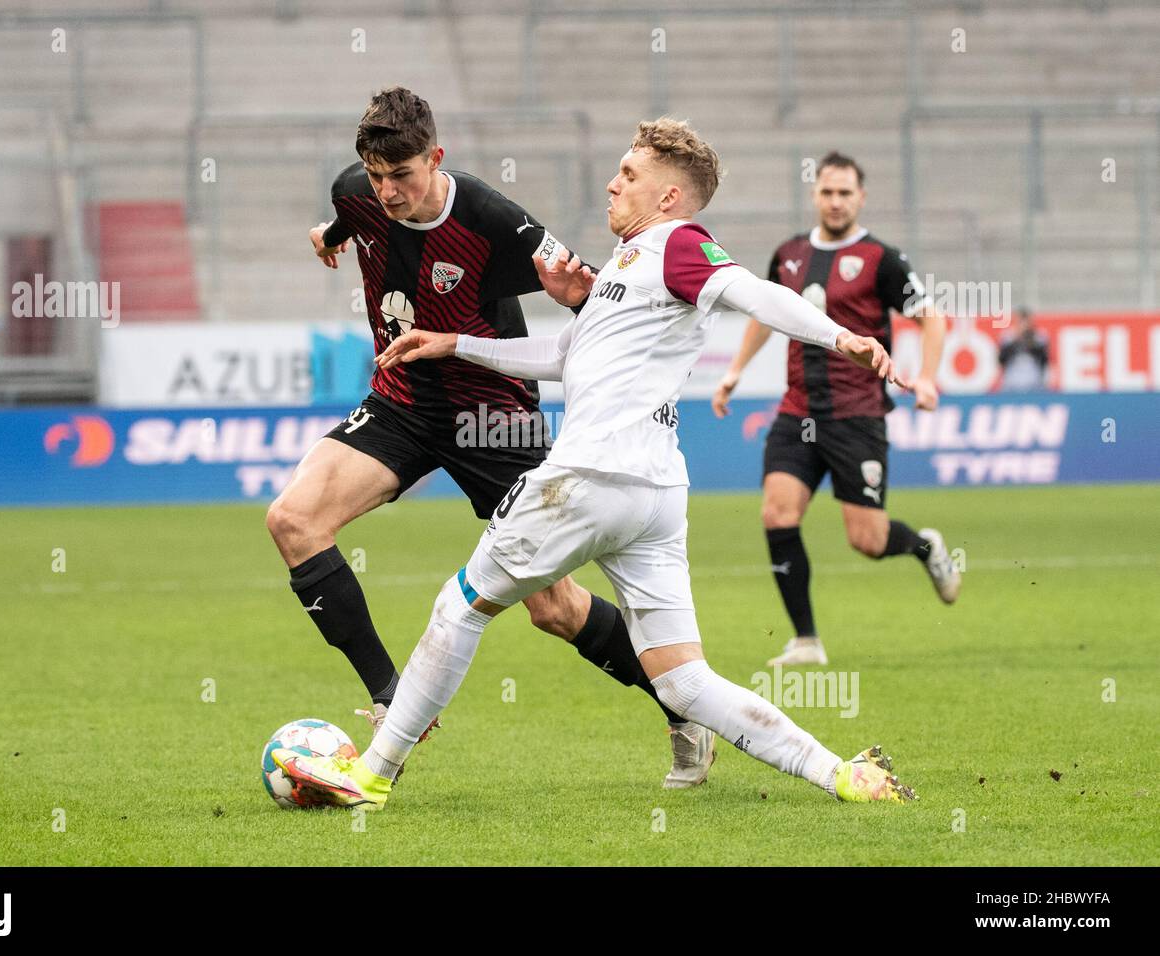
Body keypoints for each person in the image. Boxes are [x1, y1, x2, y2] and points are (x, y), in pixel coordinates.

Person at [274, 118, 917, 810]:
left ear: (669, 197)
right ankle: (844, 775)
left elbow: (753, 293)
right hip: (654, 495)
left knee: (458, 607)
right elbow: (557, 358)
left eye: (630, 175)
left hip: (587, 479)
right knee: (683, 681)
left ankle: (370, 774)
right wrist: (454, 343)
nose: (613, 183)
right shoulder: (628, 269)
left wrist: (843, 336)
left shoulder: (679, 245)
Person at [266, 87, 716, 787]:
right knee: (293, 519)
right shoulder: (355, 193)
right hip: (401, 401)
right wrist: (327, 237)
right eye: (375, 176)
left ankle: (685, 706)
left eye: (403, 176)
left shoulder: (492, 220)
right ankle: (391, 702)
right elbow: (347, 221)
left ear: (436, 158)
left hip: (493, 417)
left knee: (554, 609)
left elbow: (589, 295)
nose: (386, 192)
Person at [711, 151, 960, 667]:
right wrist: (734, 370)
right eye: (827, 191)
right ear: (815, 194)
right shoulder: (789, 254)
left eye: (846, 192)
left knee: (866, 540)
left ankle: (925, 548)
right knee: (777, 513)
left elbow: (930, 318)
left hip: (857, 414)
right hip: (797, 410)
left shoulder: (882, 259)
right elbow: (765, 314)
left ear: (861, 197)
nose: (836, 201)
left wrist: (929, 378)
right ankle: (806, 641)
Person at [998, 308, 1050, 391]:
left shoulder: (1039, 337)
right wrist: (1016, 339)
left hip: (1034, 382)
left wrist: (1029, 340)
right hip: (1012, 382)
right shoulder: (1007, 336)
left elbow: (1044, 359)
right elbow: (1001, 359)